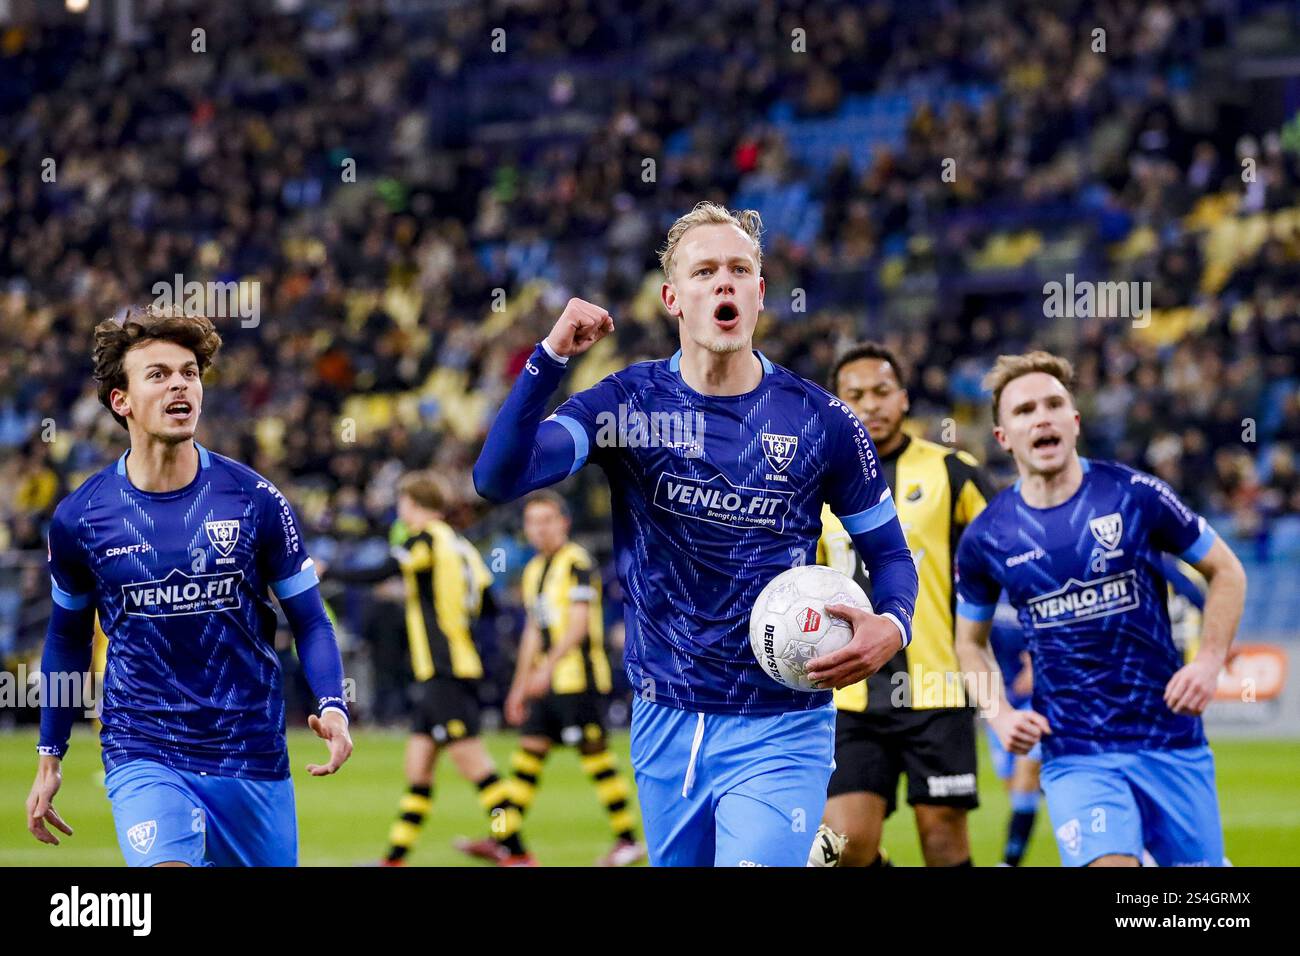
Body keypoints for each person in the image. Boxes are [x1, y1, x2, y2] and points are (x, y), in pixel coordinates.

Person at [473, 202, 918, 867]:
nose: (725, 282)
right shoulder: (626, 405)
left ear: (760, 293)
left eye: (740, 269)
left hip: (781, 721)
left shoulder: (824, 423)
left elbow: (889, 556)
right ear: (673, 297)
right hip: (665, 717)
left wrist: (894, 624)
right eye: (705, 270)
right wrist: (547, 358)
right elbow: (496, 478)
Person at [26, 304, 352, 867]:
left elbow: (310, 619)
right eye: (158, 374)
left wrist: (333, 704)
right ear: (120, 401)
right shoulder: (81, 518)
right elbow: (66, 640)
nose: (180, 384)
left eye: (189, 373)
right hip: (142, 744)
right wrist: (50, 754)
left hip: (250, 749)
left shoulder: (254, 499)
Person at [954, 351, 1247, 867]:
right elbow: (968, 643)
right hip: (1076, 750)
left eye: (1053, 404)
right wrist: (997, 713)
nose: (1041, 417)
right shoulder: (987, 537)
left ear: (1074, 421)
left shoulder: (1135, 495)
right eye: (1024, 411)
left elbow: (1227, 571)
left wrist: (1207, 661)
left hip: (1169, 737)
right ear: (1003, 437)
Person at [809, 343, 994, 867]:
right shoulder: (814, 486)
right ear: (836, 404)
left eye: (882, 391)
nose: (871, 404)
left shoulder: (954, 471)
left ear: (904, 398)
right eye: (855, 395)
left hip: (936, 684)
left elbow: (1006, 547)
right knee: (844, 849)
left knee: (942, 840)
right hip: (850, 693)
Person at [325, 470, 533, 866]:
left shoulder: (426, 540)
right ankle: (395, 858)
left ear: (412, 504)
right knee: (418, 767)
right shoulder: (464, 547)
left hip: (444, 670)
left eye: (402, 504)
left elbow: (384, 570)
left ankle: (518, 850)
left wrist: (329, 571)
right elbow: (490, 605)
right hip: (450, 666)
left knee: (475, 766)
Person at [488, 490, 644, 866]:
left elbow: (576, 627)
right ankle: (505, 840)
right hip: (547, 682)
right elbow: (531, 633)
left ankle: (627, 841)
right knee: (529, 756)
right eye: (532, 522)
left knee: (595, 758)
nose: (539, 529)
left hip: (578, 679)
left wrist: (545, 669)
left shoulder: (577, 562)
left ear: (564, 523)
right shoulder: (532, 570)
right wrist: (519, 686)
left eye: (547, 520)